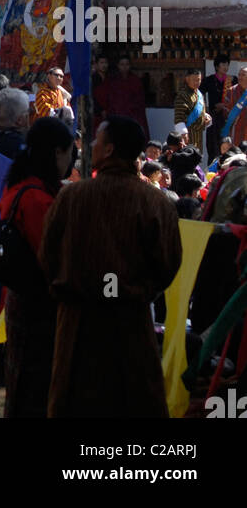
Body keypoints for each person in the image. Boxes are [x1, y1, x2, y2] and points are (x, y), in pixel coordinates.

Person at [40, 116, 182, 418]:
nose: (91, 144)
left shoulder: (72, 196)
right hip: (131, 321)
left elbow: (47, 257)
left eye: (98, 140)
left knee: (75, 405)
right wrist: (138, 291)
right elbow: (168, 265)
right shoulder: (156, 203)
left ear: (109, 150)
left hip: (79, 323)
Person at [0, 117, 74, 418]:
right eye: (70, 153)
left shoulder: (26, 187)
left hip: (26, 300)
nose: (71, 161)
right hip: (38, 304)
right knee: (34, 388)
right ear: (57, 153)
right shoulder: (35, 198)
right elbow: (50, 256)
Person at [95, 54, 148, 137]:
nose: (124, 67)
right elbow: (107, 98)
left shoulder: (135, 81)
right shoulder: (113, 81)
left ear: (130, 66)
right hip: (116, 116)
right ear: (118, 66)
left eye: (127, 64)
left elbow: (140, 101)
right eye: (122, 64)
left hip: (132, 116)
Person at [173, 66, 212, 151]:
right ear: (187, 79)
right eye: (194, 80)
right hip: (188, 134)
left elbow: (198, 111)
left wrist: (206, 117)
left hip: (198, 135)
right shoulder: (182, 95)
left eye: (199, 80)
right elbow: (179, 117)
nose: (197, 82)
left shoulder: (199, 94)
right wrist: (183, 133)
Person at [203, 54, 231, 161]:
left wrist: (224, 106)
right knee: (213, 145)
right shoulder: (209, 80)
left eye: (227, 64)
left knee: (227, 143)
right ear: (217, 66)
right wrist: (205, 110)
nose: (225, 67)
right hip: (213, 117)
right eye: (223, 64)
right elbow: (199, 96)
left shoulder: (232, 80)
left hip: (227, 118)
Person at [221, 65, 247, 148]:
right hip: (236, 131)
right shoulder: (231, 91)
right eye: (239, 75)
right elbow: (225, 110)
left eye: (243, 75)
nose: (240, 77)